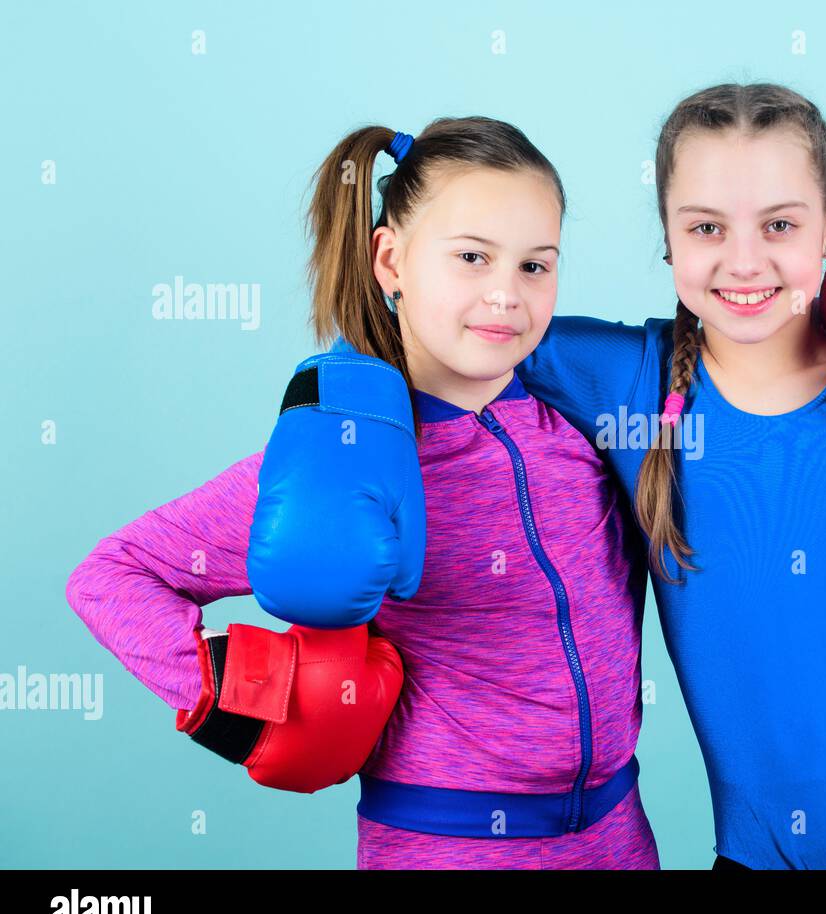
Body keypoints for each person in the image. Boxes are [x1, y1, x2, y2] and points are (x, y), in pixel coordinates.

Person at [253, 83, 826, 869]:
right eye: (706, 226)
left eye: (779, 223)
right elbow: (441, 331)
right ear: (666, 236)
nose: (743, 262)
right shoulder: (617, 376)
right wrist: (331, 403)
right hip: (752, 854)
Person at [66, 117, 660, 870]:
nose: (506, 295)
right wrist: (248, 699)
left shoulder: (575, 426)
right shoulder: (346, 460)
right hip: (448, 845)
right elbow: (109, 572)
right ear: (391, 260)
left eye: (536, 266)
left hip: (618, 836)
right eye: (472, 257)